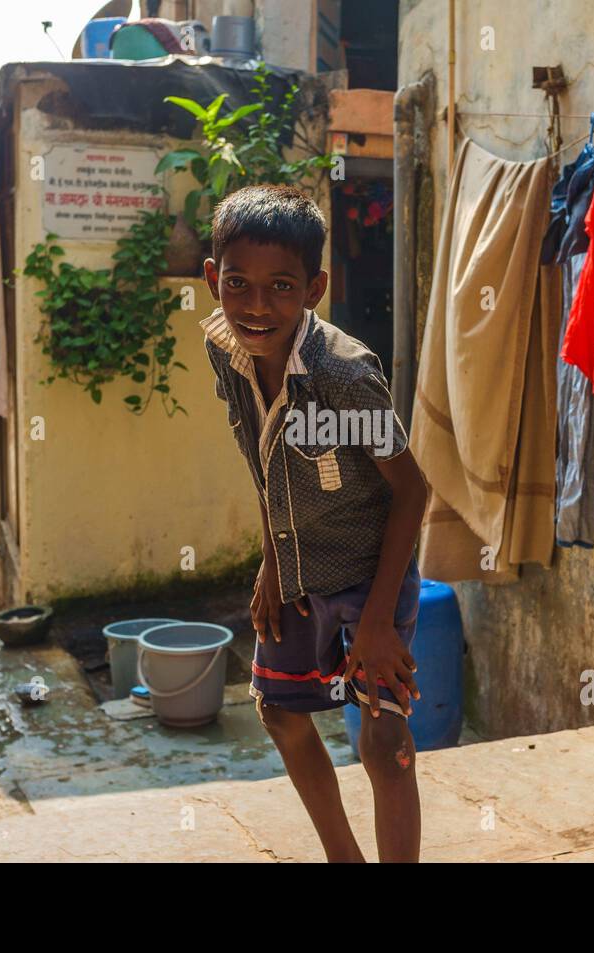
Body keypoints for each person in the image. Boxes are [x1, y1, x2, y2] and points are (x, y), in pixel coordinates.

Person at [199, 185, 429, 862]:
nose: (257, 306)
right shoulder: (227, 351)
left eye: (281, 286)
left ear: (314, 287)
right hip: (297, 571)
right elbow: (260, 456)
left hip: (369, 573)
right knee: (281, 712)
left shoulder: (343, 376)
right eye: (238, 283)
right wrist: (273, 561)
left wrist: (381, 618)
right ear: (214, 280)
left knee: (384, 740)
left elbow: (412, 492)